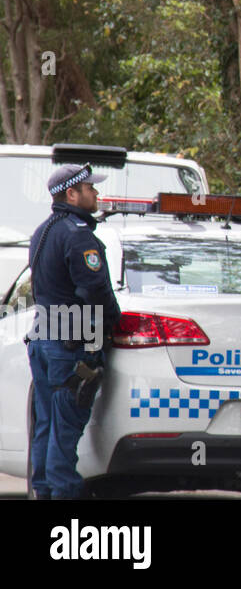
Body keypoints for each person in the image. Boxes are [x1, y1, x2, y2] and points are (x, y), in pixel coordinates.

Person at [27, 163, 120, 499]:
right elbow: (95, 290)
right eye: (91, 189)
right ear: (72, 193)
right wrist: (114, 322)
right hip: (70, 346)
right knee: (65, 427)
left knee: (47, 424)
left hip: (42, 340)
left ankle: (44, 491)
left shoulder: (44, 230)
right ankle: (64, 495)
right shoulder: (78, 235)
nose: (96, 194)